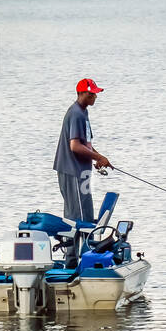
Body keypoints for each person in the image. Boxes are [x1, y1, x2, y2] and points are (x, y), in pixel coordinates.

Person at [53, 78, 113, 225]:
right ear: (81, 93)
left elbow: (86, 144)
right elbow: (74, 146)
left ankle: (84, 246)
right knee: (77, 218)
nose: (95, 96)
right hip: (72, 170)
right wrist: (99, 157)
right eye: (91, 93)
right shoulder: (76, 114)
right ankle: (74, 248)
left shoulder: (83, 113)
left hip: (82, 171)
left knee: (86, 213)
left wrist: (98, 158)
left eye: (95, 93)